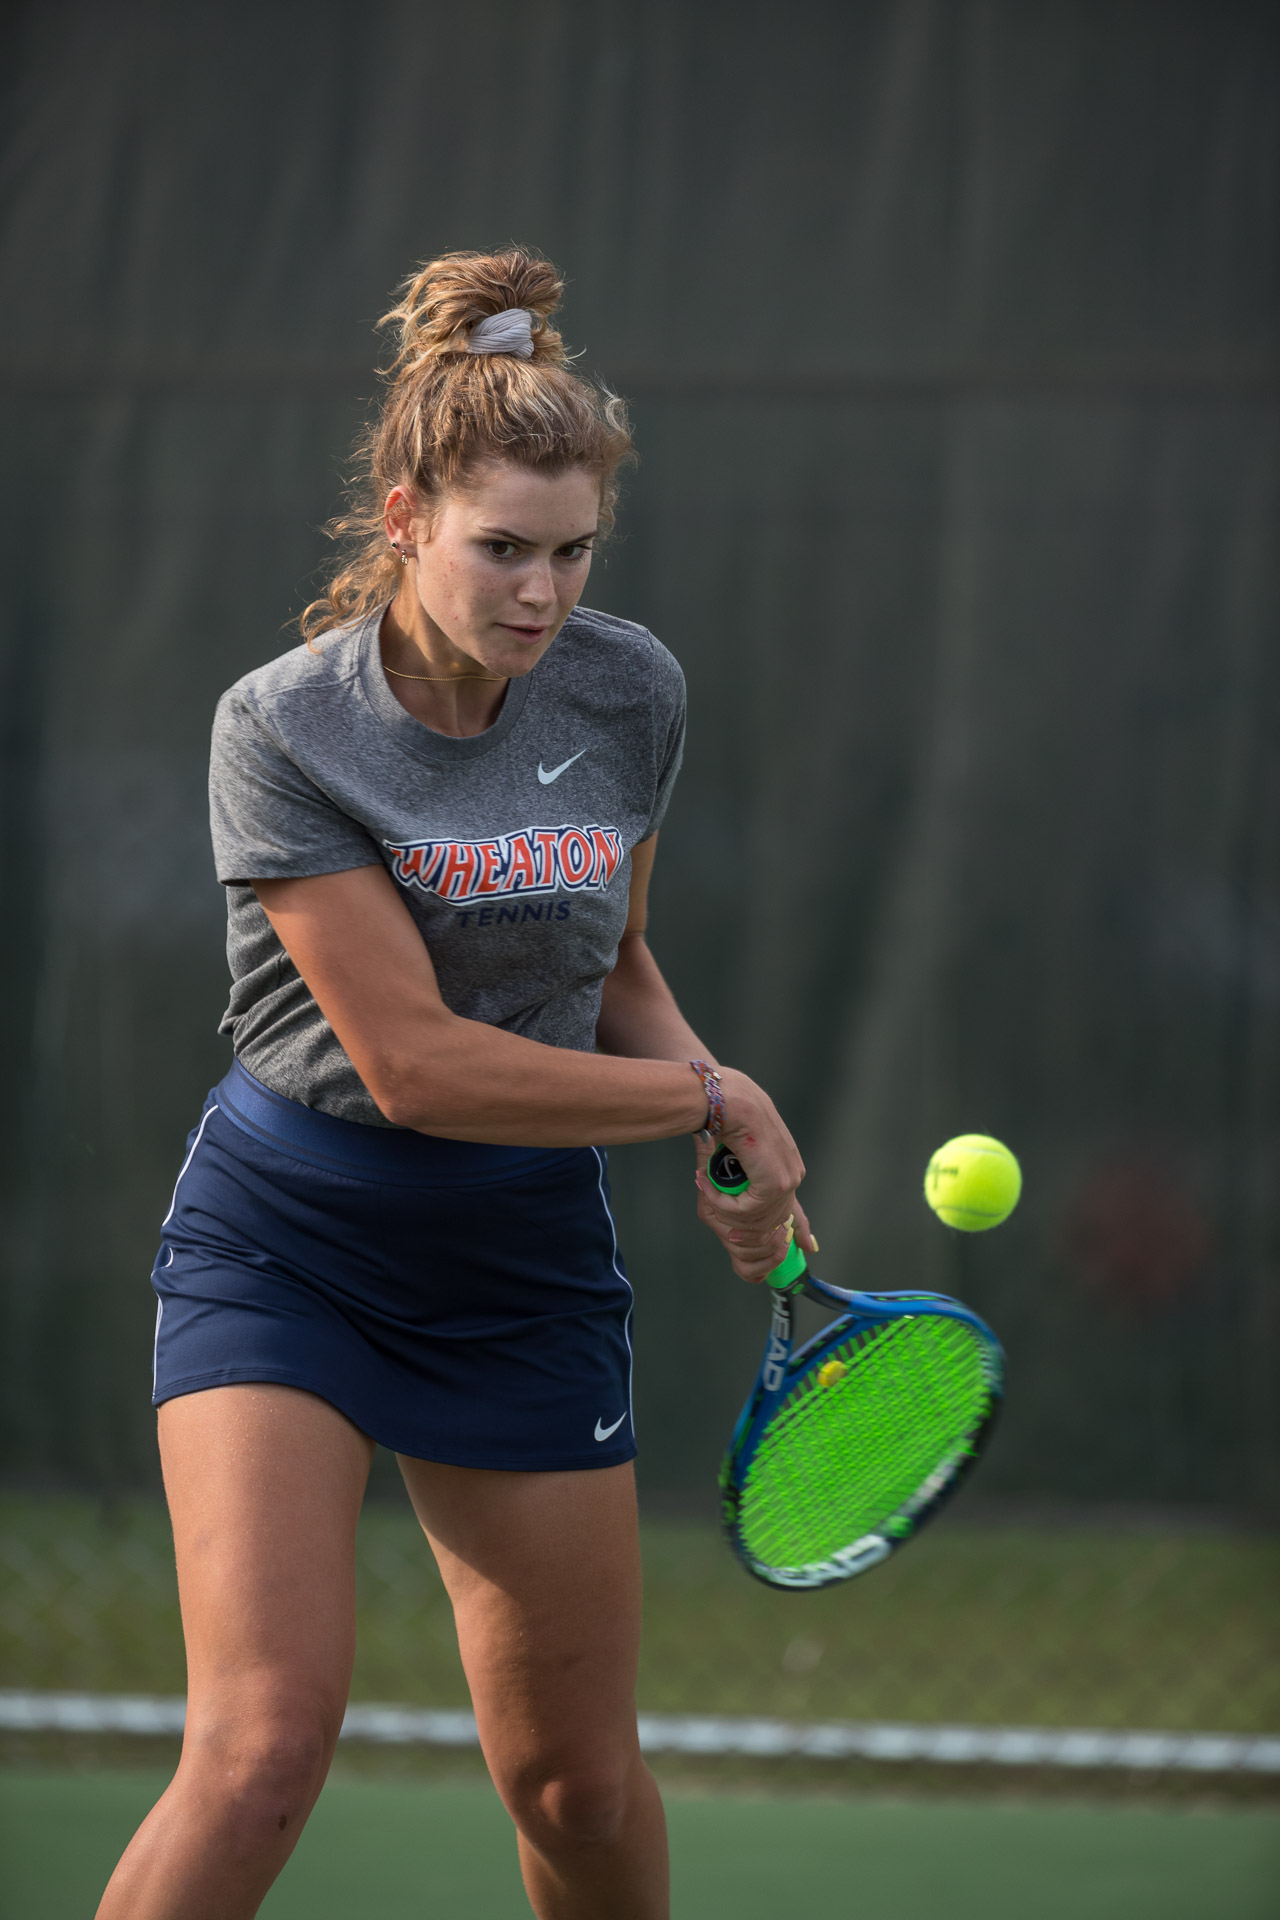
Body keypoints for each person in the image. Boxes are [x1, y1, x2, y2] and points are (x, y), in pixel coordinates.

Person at [97, 247, 813, 1920]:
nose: (541, 593)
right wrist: (713, 1103)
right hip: (290, 1242)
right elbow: (412, 1067)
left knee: (573, 1784)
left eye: (572, 553)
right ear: (408, 516)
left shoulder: (629, 689)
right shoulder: (281, 728)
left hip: (516, 1265)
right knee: (263, 1752)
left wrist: (701, 1081)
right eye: (503, 548)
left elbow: (609, 968)